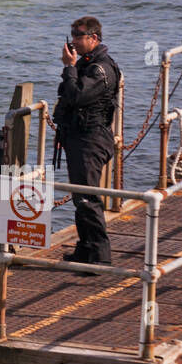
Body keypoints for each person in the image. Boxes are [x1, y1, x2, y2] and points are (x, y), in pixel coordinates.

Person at [55, 16, 121, 266]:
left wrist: (69, 67)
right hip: (79, 137)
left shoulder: (100, 68)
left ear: (94, 38)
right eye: (72, 36)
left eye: (79, 36)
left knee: (87, 198)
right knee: (80, 196)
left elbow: (76, 96)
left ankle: (100, 257)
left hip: (91, 139)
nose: (74, 41)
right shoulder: (88, 64)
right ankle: (86, 249)